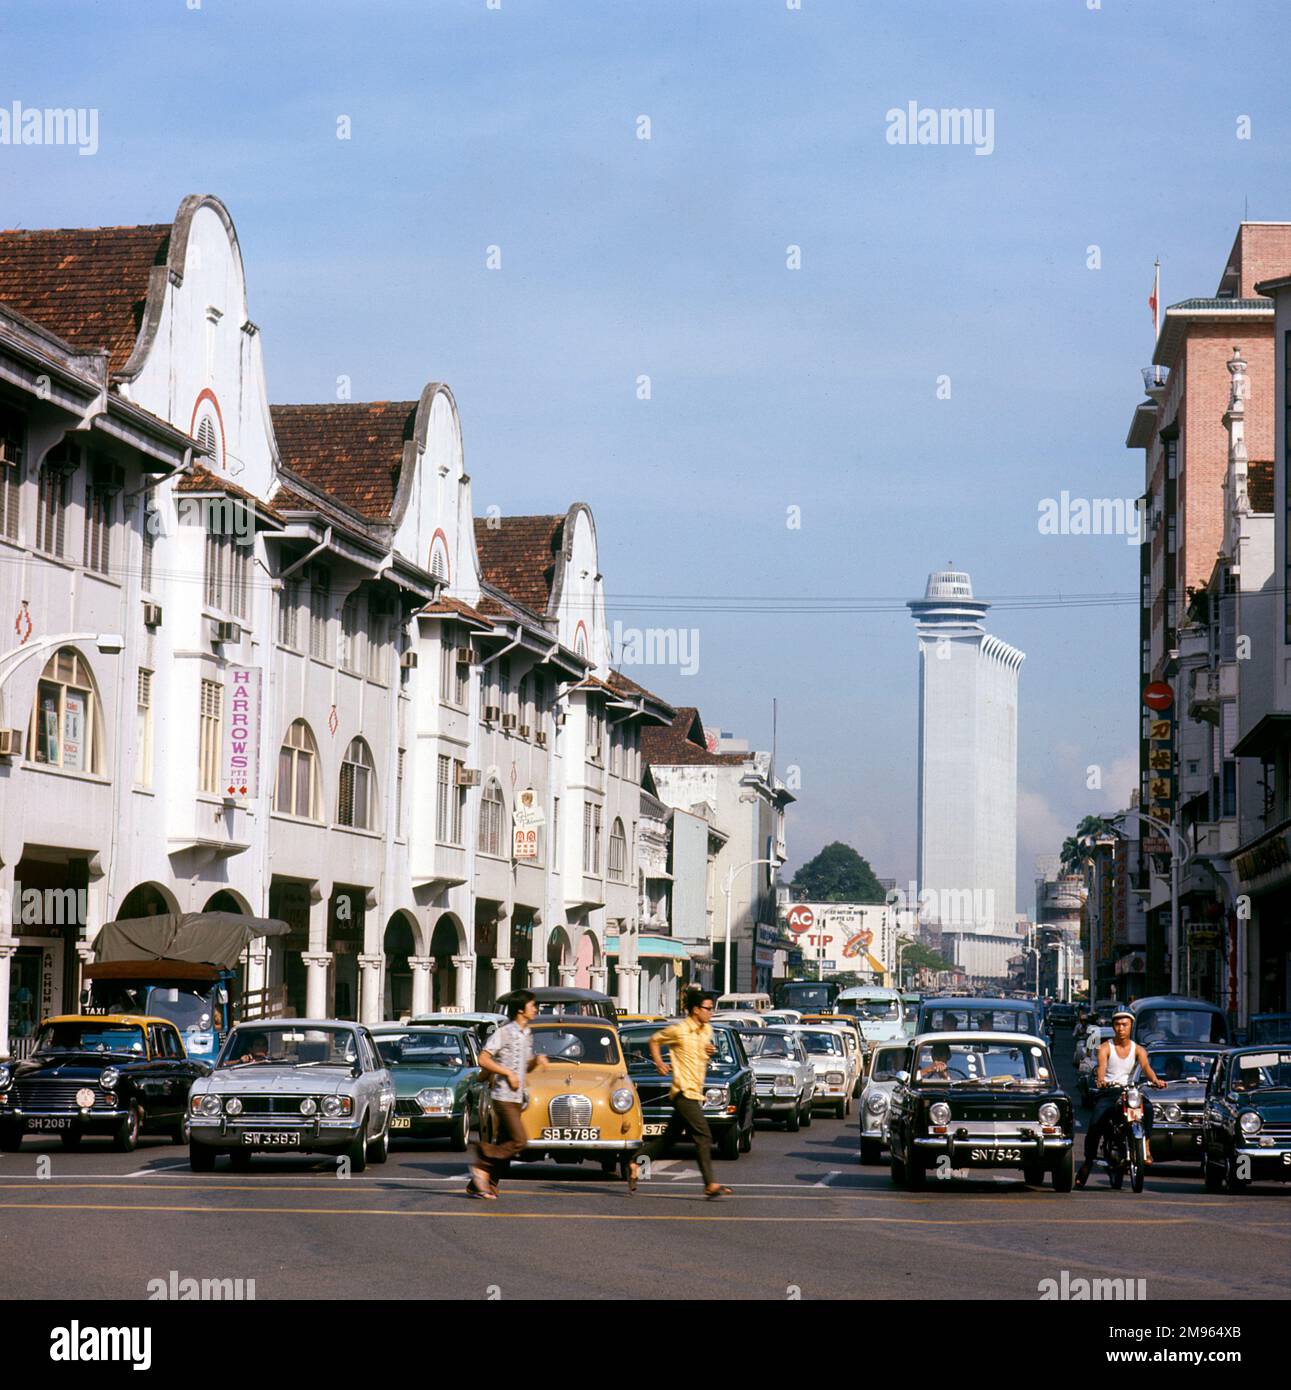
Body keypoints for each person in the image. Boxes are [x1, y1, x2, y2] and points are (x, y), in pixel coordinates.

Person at [628, 987, 732, 1200]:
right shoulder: (680, 1030)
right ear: (695, 1010)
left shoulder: (706, 1030)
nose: (710, 1013)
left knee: (668, 1139)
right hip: (684, 1092)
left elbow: (702, 1050)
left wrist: (709, 1050)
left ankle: (636, 1163)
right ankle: (709, 1183)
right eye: (708, 1009)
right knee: (704, 1136)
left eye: (712, 1009)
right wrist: (658, 1062)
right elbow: (654, 1040)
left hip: (696, 1091)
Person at [469, 990, 548, 1200]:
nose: (536, 1009)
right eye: (533, 1005)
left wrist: (536, 1061)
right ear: (521, 1010)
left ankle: (480, 1185)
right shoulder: (504, 1032)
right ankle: (482, 1160)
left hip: (517, 1097)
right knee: (519, 1141)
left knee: (505, 1142)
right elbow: (483, 1059)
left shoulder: (527, 1033)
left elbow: (525, 1067)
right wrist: (507, 1073)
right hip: (503, 1096)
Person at [1076, 1009, 1166, 1188]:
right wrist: (1101, 1080)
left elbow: (1146, 1067)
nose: (1121, 1028)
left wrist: (1155, 1080)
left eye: (1125, 1024)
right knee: (1095, 1123)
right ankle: (1088, 1161)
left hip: (1131, 1091)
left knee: (1147, 1108)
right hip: (1110, 1092)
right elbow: (1101, 1067)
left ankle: (1146, 1147)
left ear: (1131, 1026)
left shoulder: (1138, 1049)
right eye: (1117, 1024)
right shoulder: (1105, 1047)